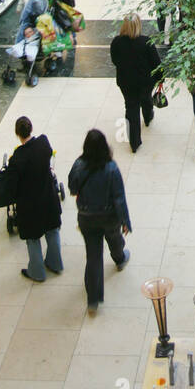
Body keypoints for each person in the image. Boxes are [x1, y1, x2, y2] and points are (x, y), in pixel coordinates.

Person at [68, 130, 131, 314]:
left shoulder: (79, 165)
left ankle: (93, 300)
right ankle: (119, 258)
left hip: (87, 218)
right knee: (115, 238)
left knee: (93, 256)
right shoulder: (111, 168)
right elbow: (119, 197)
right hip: (109, 216)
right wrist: (125, 220)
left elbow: (72, 188)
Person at [6, 115, 63, 280]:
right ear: (31, 128)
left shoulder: (17, 158)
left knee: (32, 238)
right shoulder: (44, 143)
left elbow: (13, 184)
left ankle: (37, 272)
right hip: (48, 198)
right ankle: (55, 263)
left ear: (18, 134)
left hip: (30, 206)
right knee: (53, 231)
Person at [110, 15, 161, 153]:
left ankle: (134, 142)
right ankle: (148, 116)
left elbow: (114, 60)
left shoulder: (116, 42)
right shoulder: (146, 42)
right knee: (145, 98)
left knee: (131, 108)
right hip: (145, 82)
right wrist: (160, 78)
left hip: (126, 82)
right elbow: (156, 63)